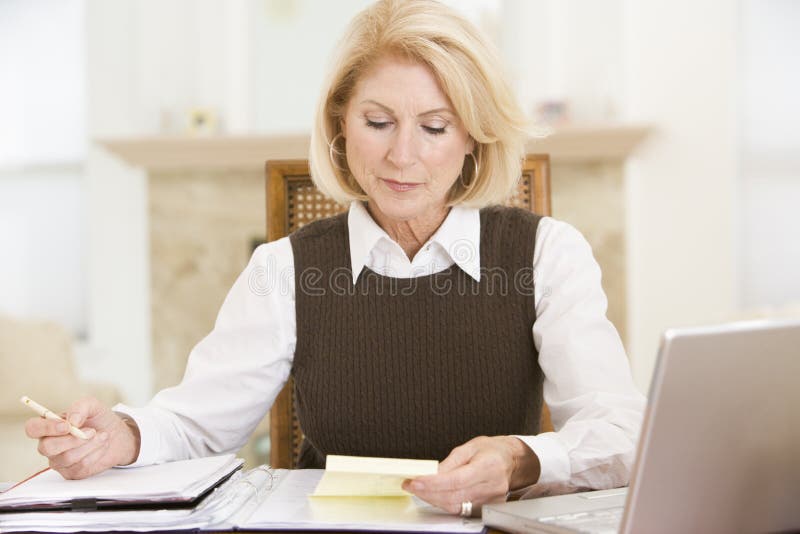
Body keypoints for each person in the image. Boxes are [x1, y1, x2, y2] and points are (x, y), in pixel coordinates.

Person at [25, 0, 645, 516]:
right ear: (340, 125)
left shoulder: (547, 253)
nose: (403, 156)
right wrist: (123, 437)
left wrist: (521, 457)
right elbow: (195, 424)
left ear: (472, 140)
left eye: (434, 127)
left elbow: (620, 433)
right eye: (379, 121)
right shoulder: (284, 268)